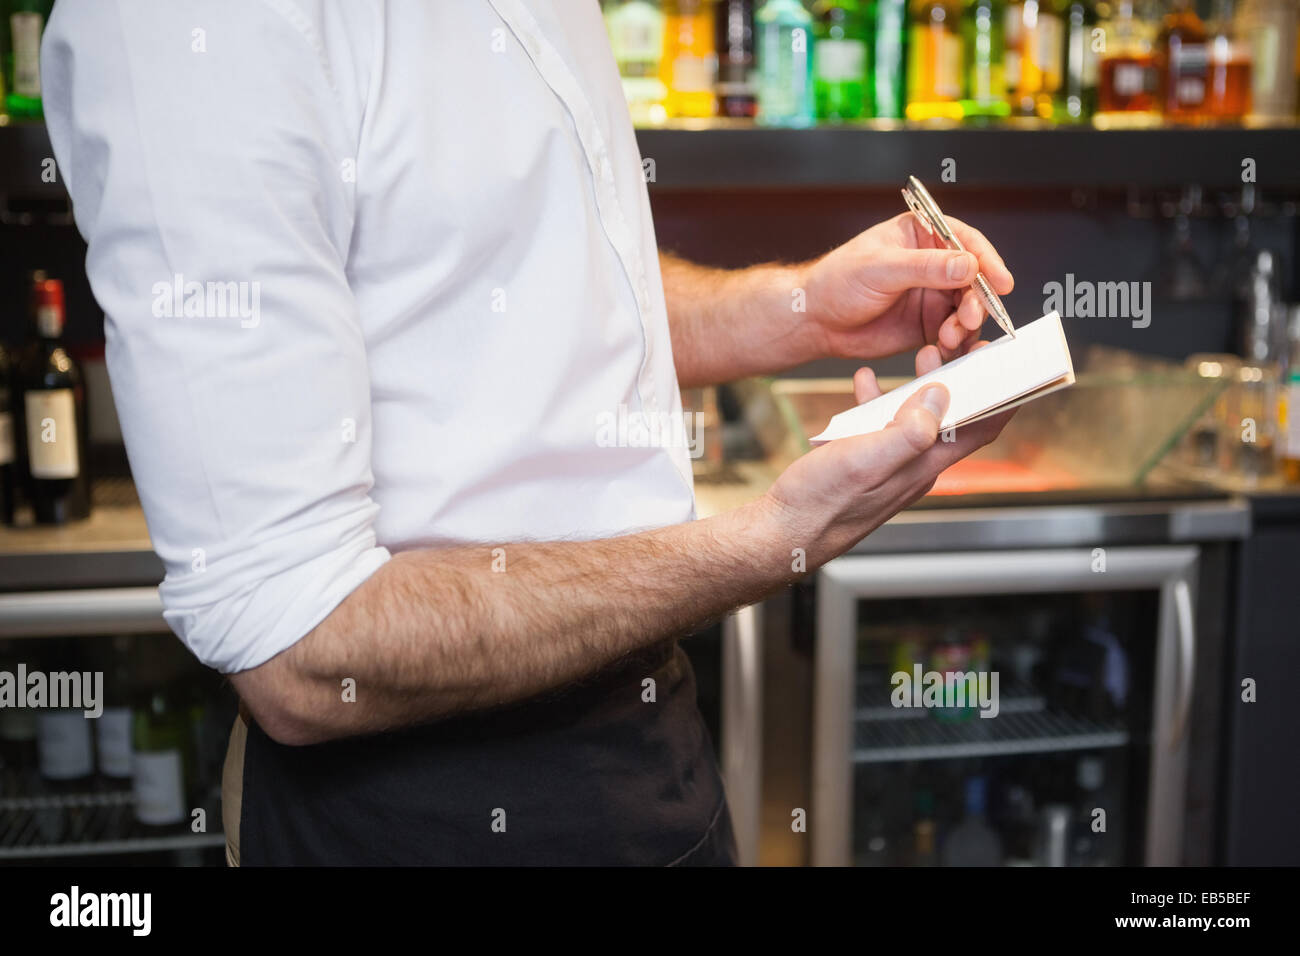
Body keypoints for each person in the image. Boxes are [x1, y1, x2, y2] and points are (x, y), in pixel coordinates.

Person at [42, 1, 1013, 865]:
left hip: (650, 744)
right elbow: (298, 644)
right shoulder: (186, 25)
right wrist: (772, 538)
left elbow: (544, 286)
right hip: (409, 808)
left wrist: (802, 308)